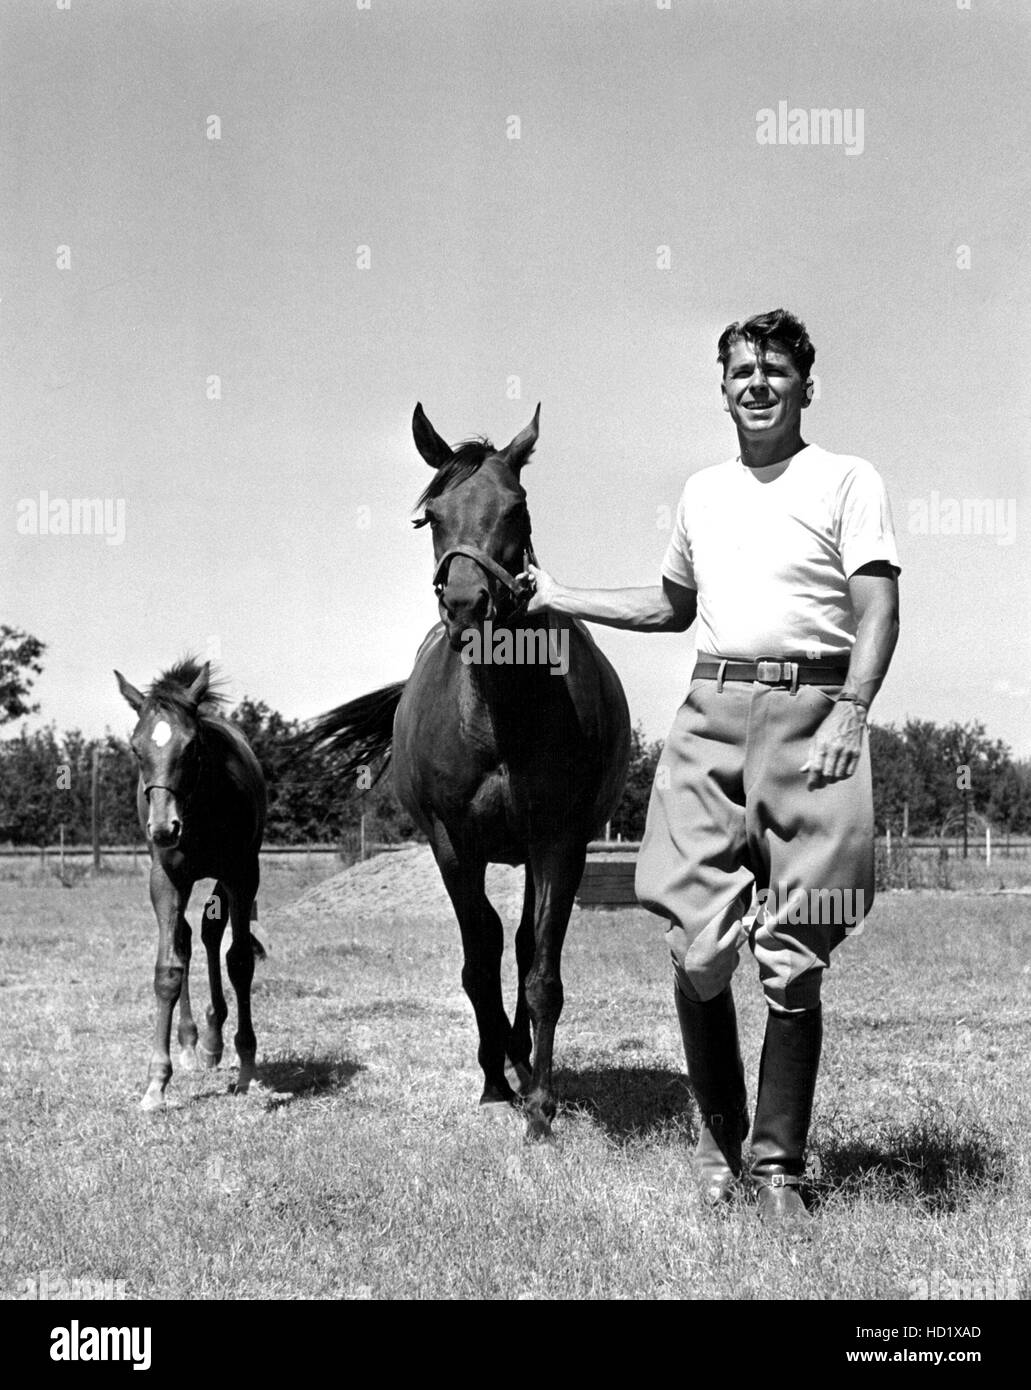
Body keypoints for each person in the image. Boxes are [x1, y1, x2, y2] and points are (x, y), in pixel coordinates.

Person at [521, 309, 900, 1228]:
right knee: (696, 947)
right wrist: (556, 593)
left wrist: (853, 707)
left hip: (816, 717)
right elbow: (669, 604)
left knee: (794, 955)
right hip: (710, 714)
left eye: (774, 369)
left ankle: (772, 1169)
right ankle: (718, 1146)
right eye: (741, 370)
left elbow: (879, 603)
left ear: (806, 386)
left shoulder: (846, 479)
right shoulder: (701, 493)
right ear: (722, 387)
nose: (757, 383)